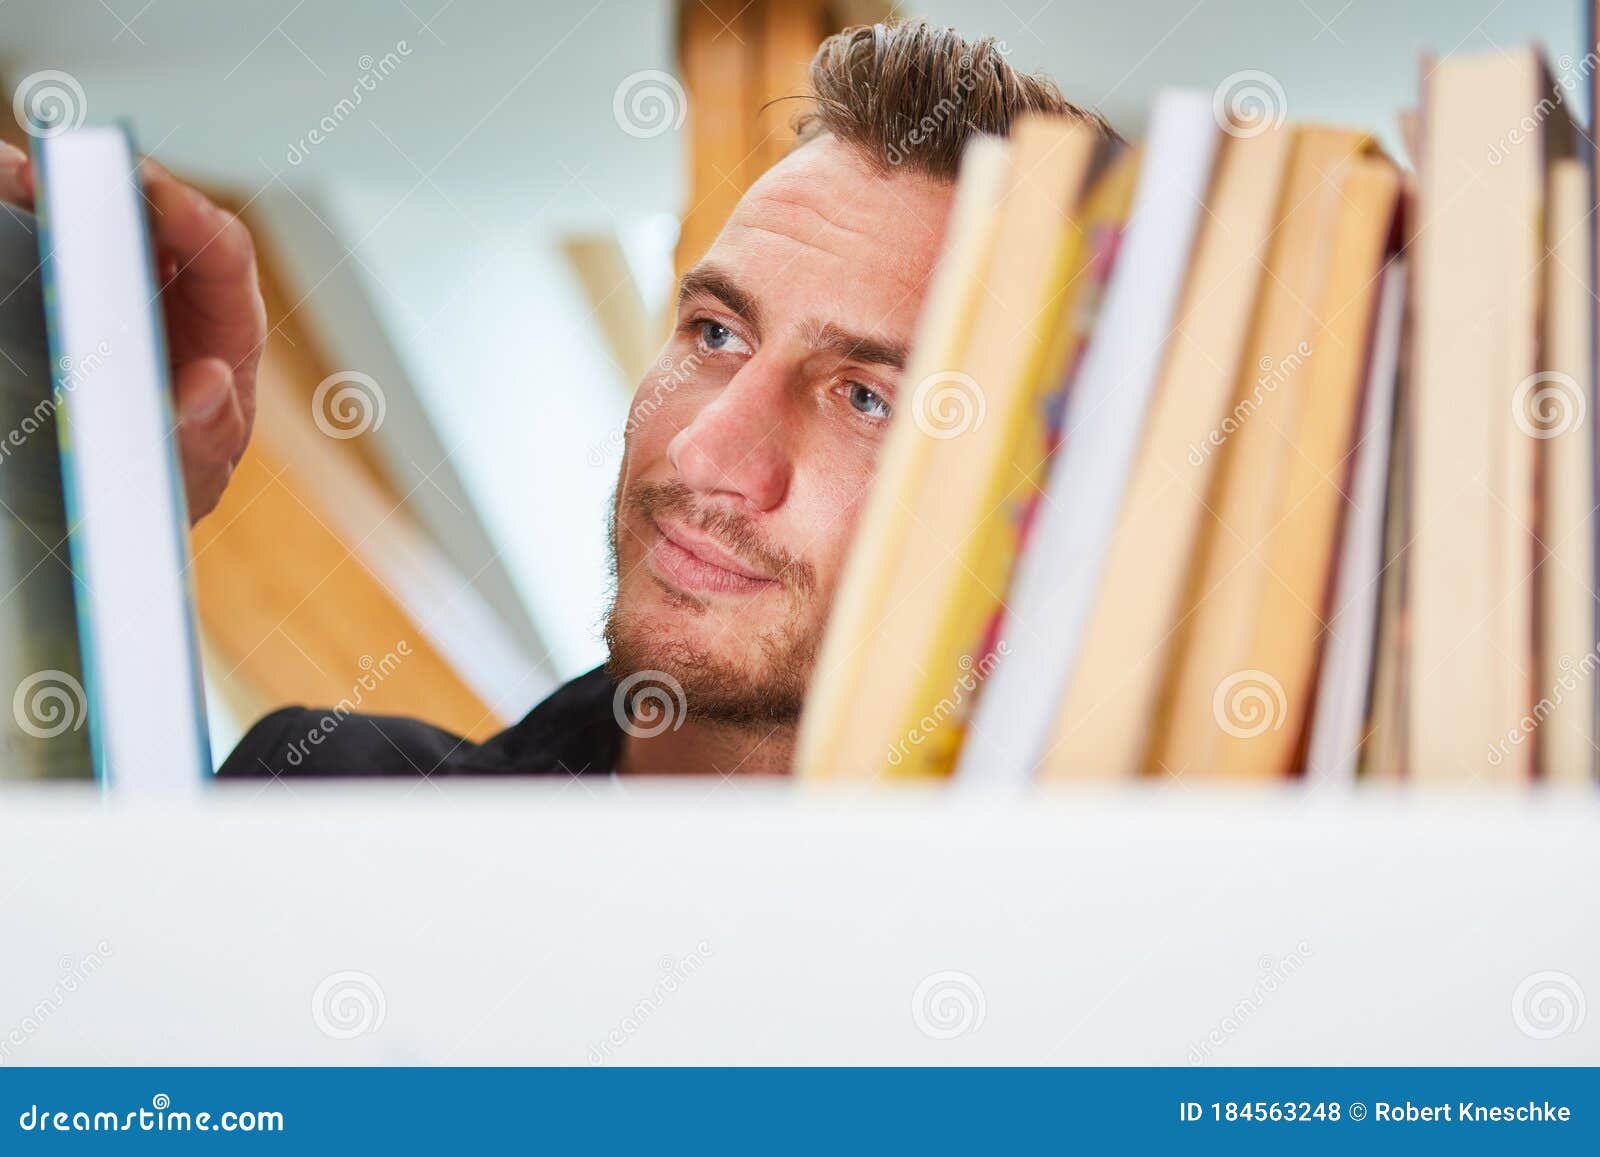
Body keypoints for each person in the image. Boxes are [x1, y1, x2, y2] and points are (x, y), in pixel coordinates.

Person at [4, 21, 1115, 778]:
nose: (706, 449)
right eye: (715, 333)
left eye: (866, 397)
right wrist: (71, 550)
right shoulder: (327, 813)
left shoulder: (1123, 955)